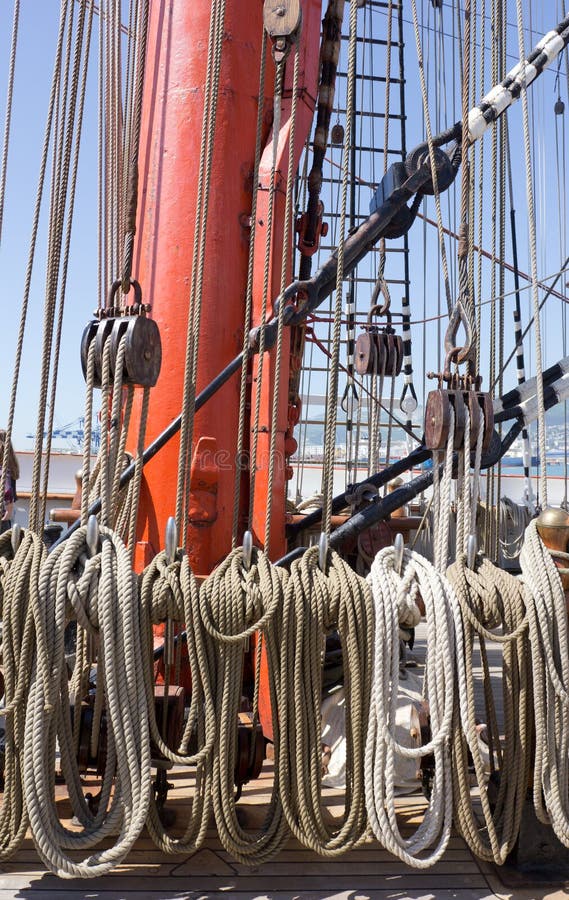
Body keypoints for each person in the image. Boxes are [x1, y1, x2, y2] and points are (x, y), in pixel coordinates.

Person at [0, 430, 19, 534]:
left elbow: (7, 491)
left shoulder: (2, 470)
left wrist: (8, 512)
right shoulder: (11, 466)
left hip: (3, 515)